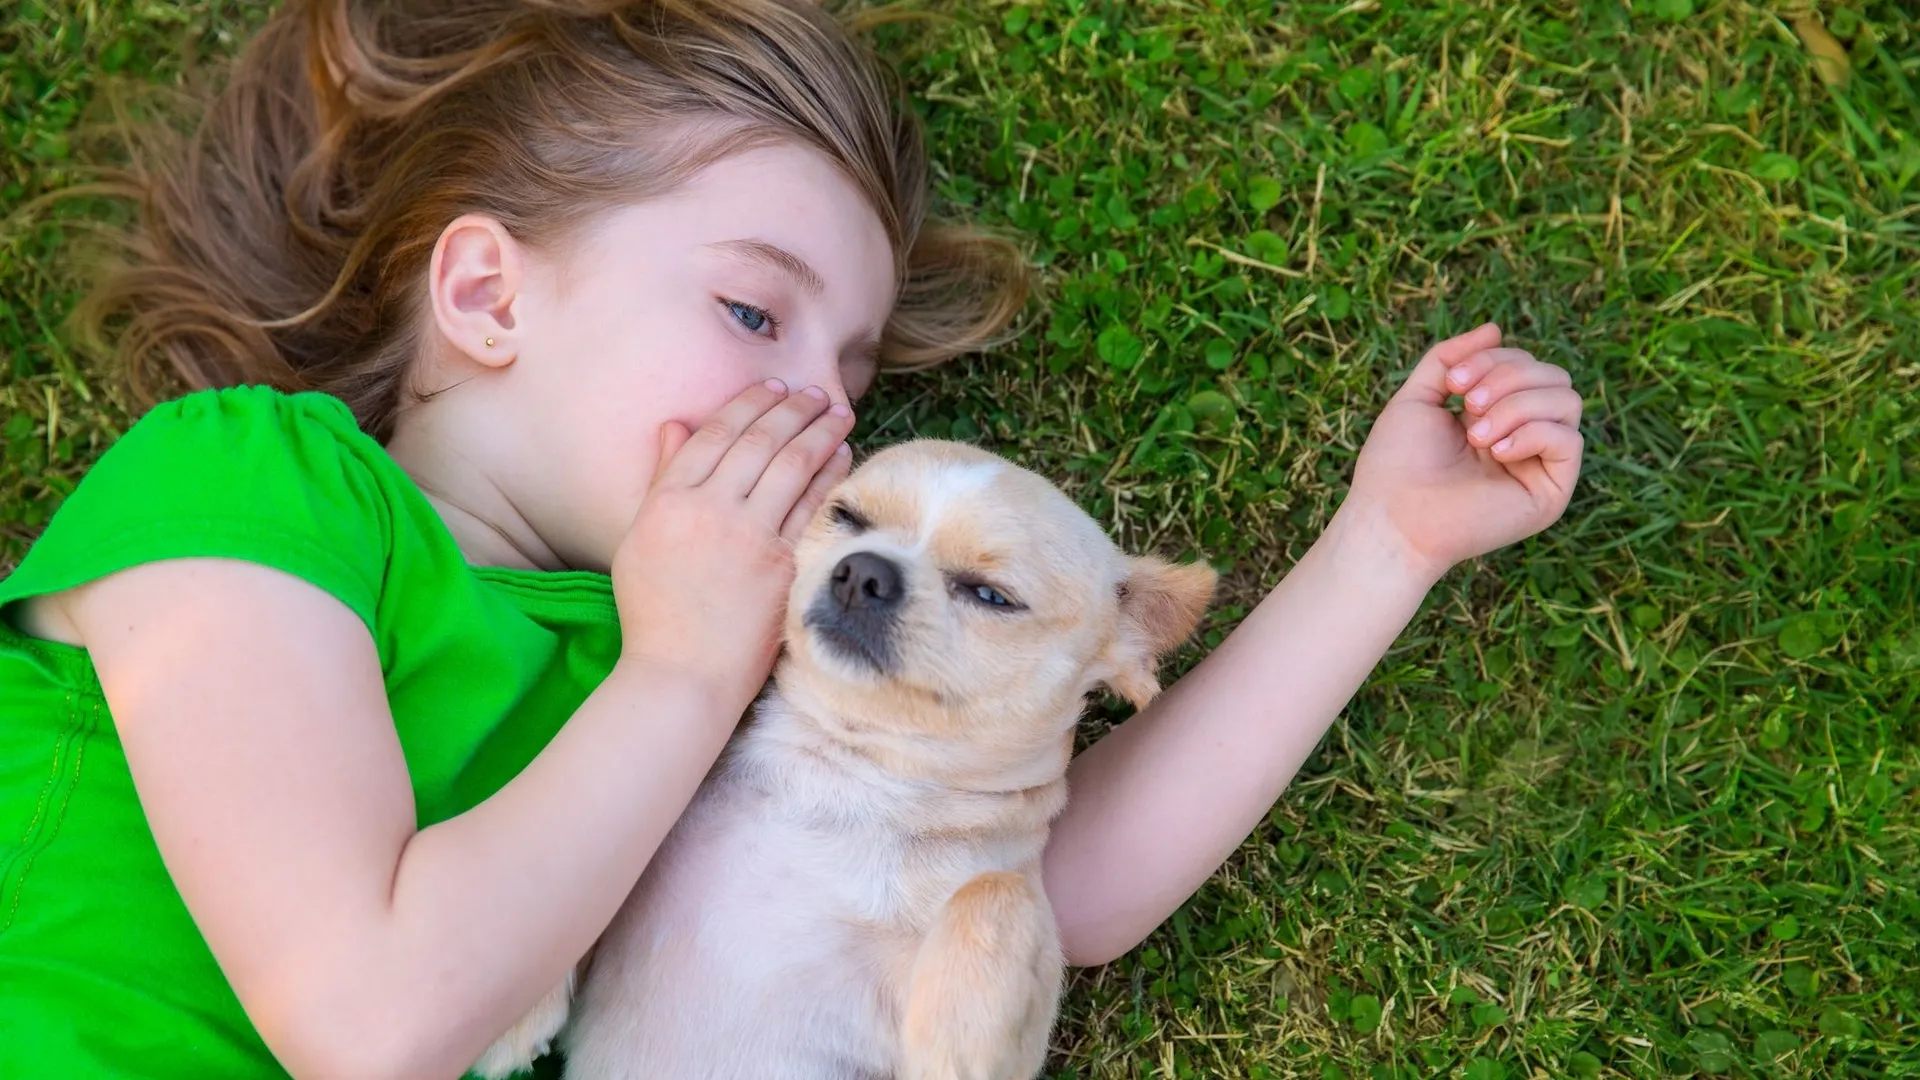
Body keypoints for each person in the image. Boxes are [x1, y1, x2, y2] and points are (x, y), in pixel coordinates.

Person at [0, 1, 1584, 1077]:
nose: (819, 414)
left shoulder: (692, 635)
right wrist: (680, 675)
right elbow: (367, 1021)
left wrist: (1387, 544)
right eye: (754, 309)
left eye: (850, 376)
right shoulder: (251, 491)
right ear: (488, 296)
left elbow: (1053, 874)